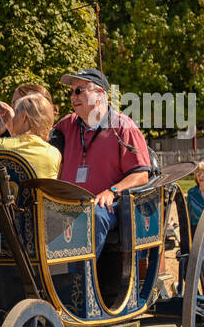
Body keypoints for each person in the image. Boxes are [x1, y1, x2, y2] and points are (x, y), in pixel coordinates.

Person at [51, 68, 152, 256]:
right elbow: (39, 140)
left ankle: (81, 281)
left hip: (106, 207)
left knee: (93, 215)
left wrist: (112, 191)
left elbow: (141, 174)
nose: (73, 96)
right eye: (71, 92)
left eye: (79, 90)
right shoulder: (67, 124)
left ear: (100, 94)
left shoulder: (123, 127)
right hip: (68, 203)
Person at [0, 92, 61, 178]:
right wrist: (13, 130)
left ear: (24, 117)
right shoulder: (55, 155)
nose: (13, 117)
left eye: (16, 113)